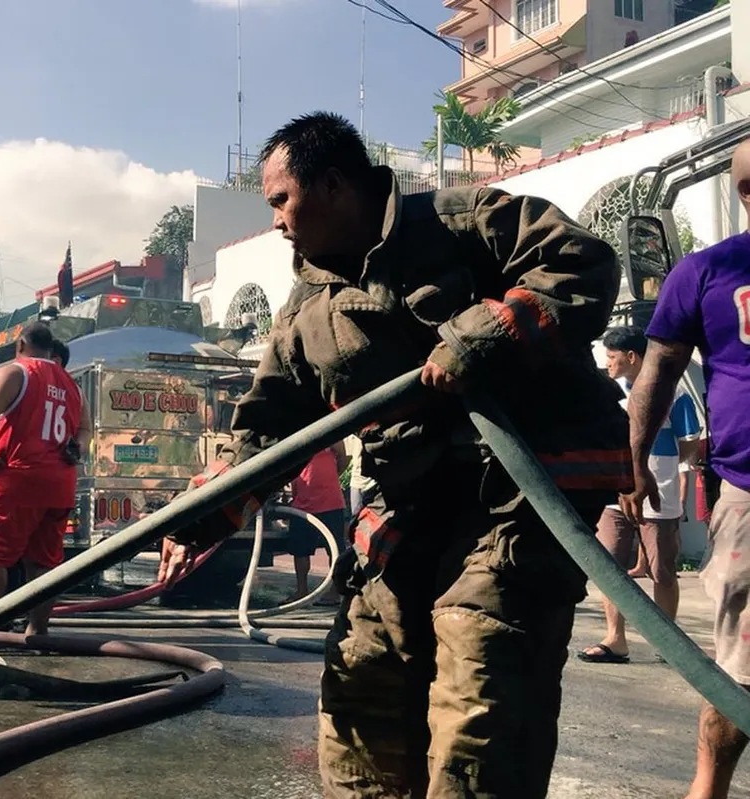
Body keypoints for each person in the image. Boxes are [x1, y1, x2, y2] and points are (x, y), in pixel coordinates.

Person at [157, 111, 630, 798]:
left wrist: (479, 336)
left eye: (282, 200)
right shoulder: (305, 314)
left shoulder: (463, 220)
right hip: (409, 504)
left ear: (334, 185)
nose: (279, 221)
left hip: (520, 495)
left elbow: (581, 260)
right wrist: (197, 515)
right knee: (362, 675)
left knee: (483, 667)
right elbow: (265, 433)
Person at [622, 138, 750, 799]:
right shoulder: (706, 271)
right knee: (739, 669)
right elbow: (658, 372)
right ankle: (708, 789)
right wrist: (635, 459)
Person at [577, 326, 700, 664]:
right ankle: (615, 639)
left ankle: (666, 642)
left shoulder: (673, 392)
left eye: (613, 357)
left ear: (632, 357)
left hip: (658, 496)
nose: (608, 364)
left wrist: (660, 466)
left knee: (662, 570)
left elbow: (689, 442)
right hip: (612, 494)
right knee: (609, 568)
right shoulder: (607, 392)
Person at [0, 323, 91, 637]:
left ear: (21, 344)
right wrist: (79, 449)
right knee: (44, 562)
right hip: (59, 485)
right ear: (51, 349)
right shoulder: (73, 386)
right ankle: (37, 630)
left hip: (15, 483)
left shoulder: (17, 372)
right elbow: (86, 429)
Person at [285, 442, 348, 605]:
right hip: (302, 502)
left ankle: (334, 592)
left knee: (334, 549)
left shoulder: (330, 430)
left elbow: (342, 458)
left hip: (330, 500)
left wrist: (329, 478)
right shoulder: (296, 433)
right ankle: (301, 591)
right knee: (300, 549)